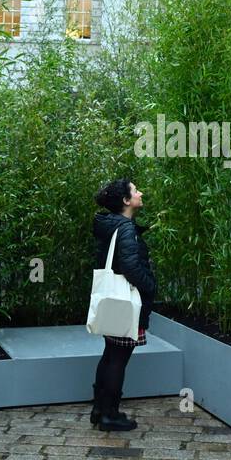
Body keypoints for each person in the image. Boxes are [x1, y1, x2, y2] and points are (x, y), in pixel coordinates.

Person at [90, 178, 157, 431]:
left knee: (110, 355)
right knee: (118, 358)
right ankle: (110, 414)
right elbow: (130, 266)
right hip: (126, 301)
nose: (140, 192)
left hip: (113, 300)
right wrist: (150, 285)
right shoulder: (125, 229)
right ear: (126, 201)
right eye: (135, 190)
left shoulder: (111, 226)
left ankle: (99, 409)